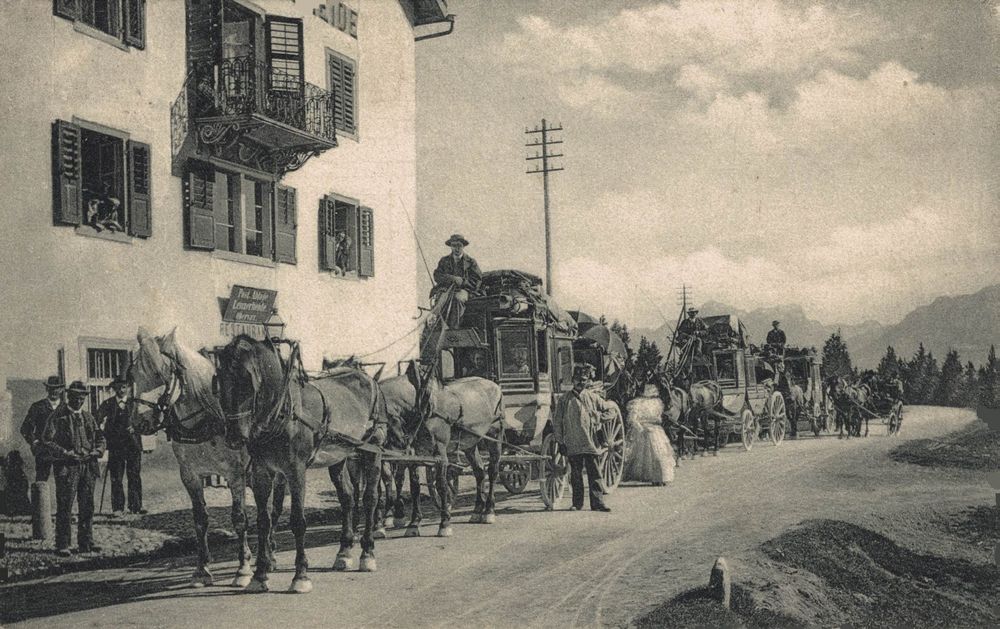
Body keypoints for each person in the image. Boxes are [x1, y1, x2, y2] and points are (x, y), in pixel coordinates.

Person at [39, 381, 106, 556]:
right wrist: (65, 453)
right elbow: (47, 440)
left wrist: (97, 451)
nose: (79, 400)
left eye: (82, 397)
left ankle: (86, 542)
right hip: (67, 468)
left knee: (87, 506)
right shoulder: (57, 416)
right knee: (65, 506)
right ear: (68, 397)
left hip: (88, 466)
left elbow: (100, 438)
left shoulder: (88, 417)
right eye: (75, 397)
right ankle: (63, 544)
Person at [551, 364, 614, 512]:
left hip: (591, 443)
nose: (581, 382)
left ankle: (597, 503)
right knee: (576, 476)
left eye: (584, 379)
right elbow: (558, 422)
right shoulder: (564, 400)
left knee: (595, 474)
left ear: (587, 381)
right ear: (573, 380)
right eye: (578, 379)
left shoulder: (592, 397)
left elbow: (611, 410)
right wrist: (560, 442)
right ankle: (577, 504)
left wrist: (600, 418)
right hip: (573, 444)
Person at [97, 376, 144, 516]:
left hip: (133, 445)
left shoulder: (135, 404)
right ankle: (117, 508)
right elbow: (96, 421)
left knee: (134, 475)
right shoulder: (107, 404)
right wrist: (104, 433)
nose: (121, 390)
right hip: (116, 446)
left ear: (128, 388)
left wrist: (135, 428)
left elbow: (145, 422)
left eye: (124, 387)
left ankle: (135, 506)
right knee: (116, 477)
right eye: (118, 387)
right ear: (114, 389)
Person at [19, 375, 65, 482]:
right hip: (43, 451)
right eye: (51, 388)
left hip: (61, 452)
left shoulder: (65, 408)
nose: (54, 391)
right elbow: (25, 428)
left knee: (63, 484)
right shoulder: (37, 407)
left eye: (57, 388)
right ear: (47, 389)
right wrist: (34, 442)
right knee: (41, 482)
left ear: (61, 390)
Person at [431, 234, 482, 328]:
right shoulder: (444, 260)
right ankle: (436, 327)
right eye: (454, 245)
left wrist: (462, 281)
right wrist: (451, 278)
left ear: (463, 246)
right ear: (451, 246)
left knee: (457, 299)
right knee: (439, 302)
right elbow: (437, 275)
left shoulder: (471, 262)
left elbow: (477, 280)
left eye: (459, 245)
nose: (457, 248)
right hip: (446, 289)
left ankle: (455, 329)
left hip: (465, 291)